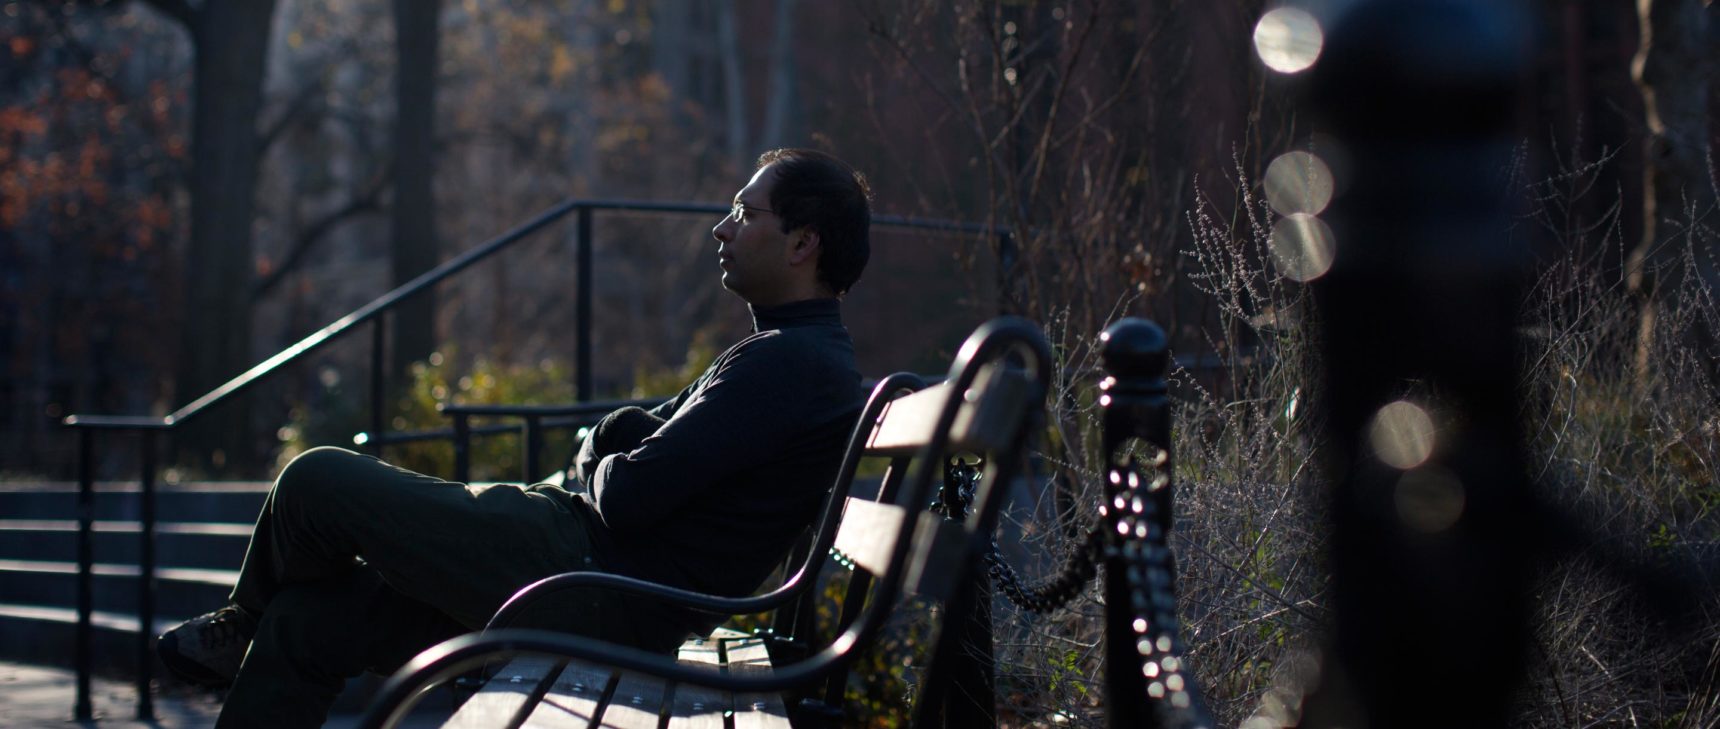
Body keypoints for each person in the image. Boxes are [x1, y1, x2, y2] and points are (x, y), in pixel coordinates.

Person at [155, 148, 873, 728]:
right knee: (306, 620)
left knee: (314, 480)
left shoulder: (788, 364)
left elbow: (625, 490)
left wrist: (598, 452)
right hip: (589, 577)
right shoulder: (790, 357)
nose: (722, 228)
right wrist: (612, 446)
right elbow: (636, 440)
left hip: (586, 579)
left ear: (803, 242)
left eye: (745, 212)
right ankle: (254, 622)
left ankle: (240, 621)